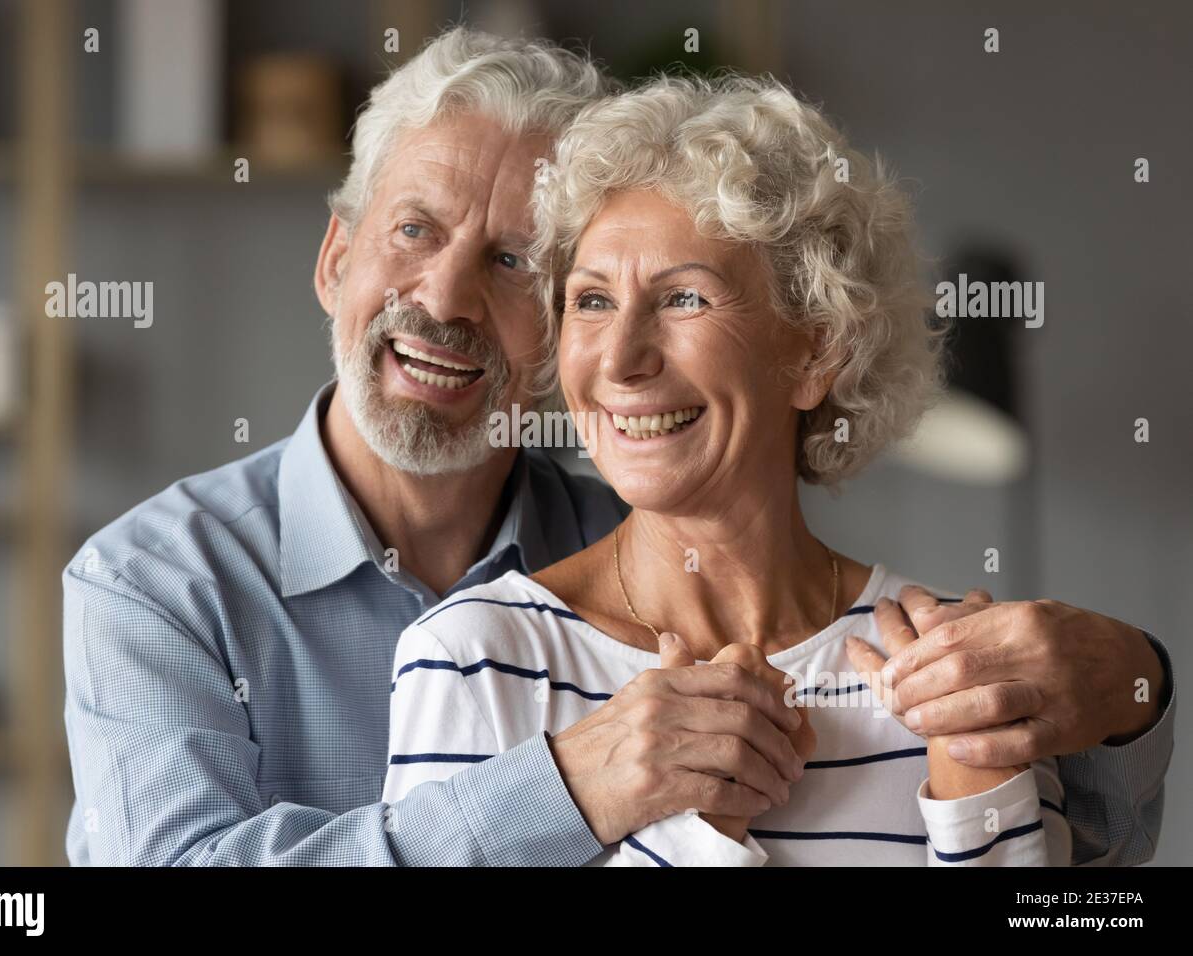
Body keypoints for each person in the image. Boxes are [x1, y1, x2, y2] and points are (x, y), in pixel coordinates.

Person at [63, 29, 1173, 866]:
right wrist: (572, 786)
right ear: (332, 260)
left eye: (511, 263)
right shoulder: (154, 584)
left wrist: (1135, 682)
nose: (444, 296)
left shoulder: (688, 544)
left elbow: (1092, 872)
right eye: (413, 230)